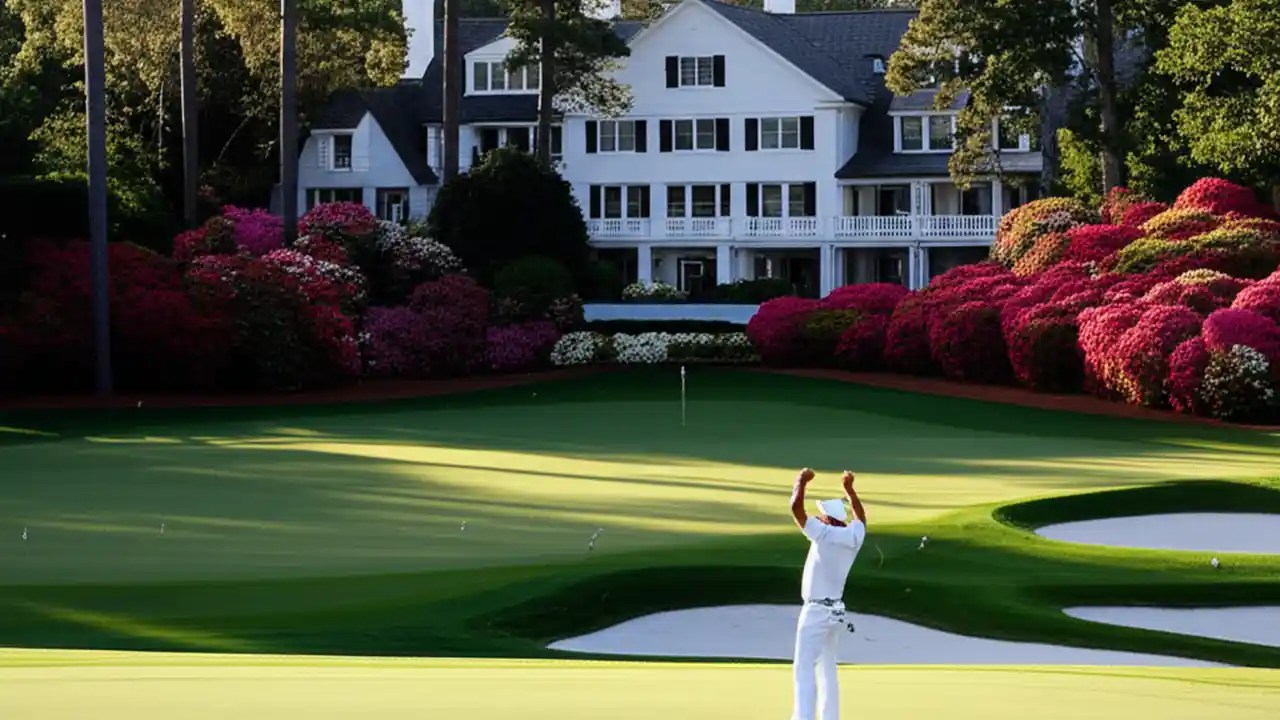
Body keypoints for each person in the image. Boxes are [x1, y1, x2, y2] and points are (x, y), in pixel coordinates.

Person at [788, 467, 867, 720]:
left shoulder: (823, 534)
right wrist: (850, 490)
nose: (819, 517)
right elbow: (861, 519)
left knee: (803, 668)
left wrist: (800, 482)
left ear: (829, 520)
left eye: (822, 514)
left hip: (815, 611)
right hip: (836, 611)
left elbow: (796, 510)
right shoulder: (854, 536)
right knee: (827, 669)